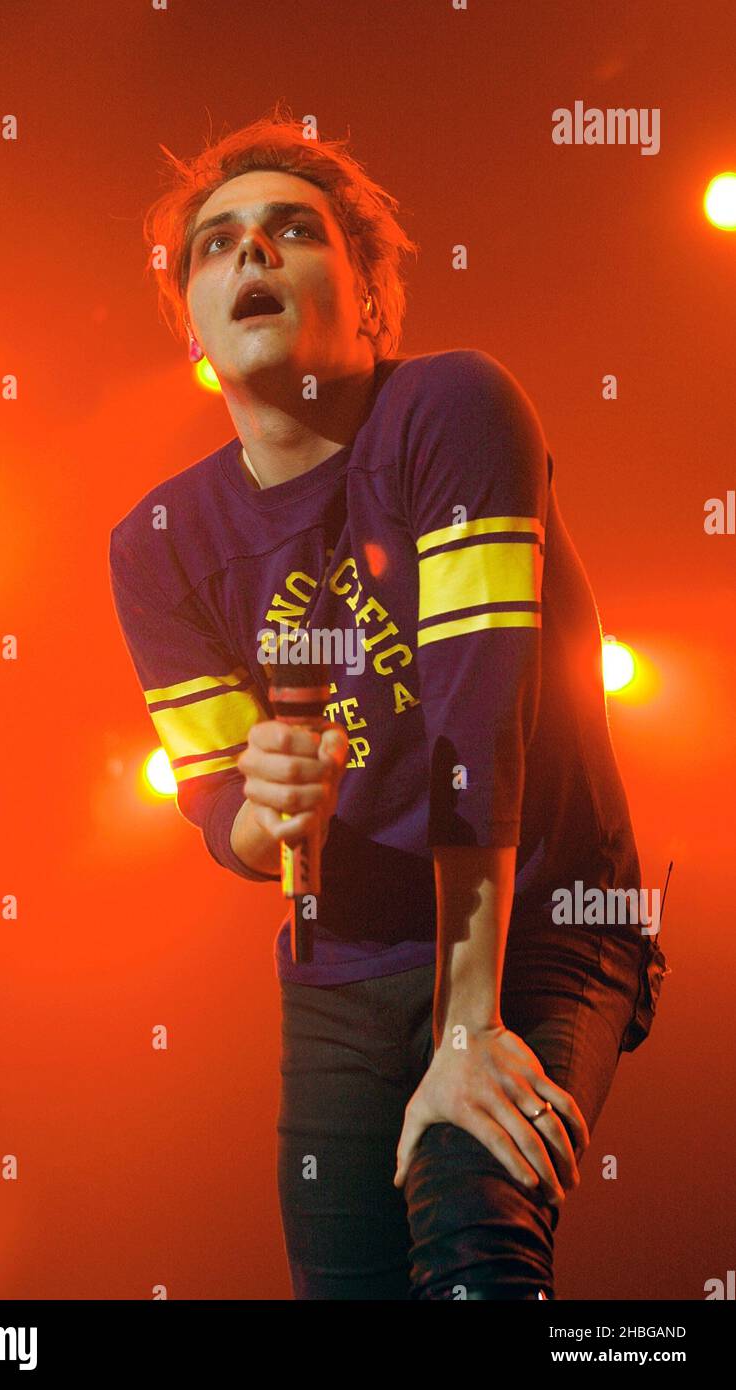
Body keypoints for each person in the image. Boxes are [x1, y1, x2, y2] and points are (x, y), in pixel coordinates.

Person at [108, 105, 668, 1300]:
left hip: (538, 919)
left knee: (476, 1252)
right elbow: (227, 826)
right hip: (343, 964)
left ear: (367, 297)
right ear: (193, 326)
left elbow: (479, 723)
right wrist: (268, 807)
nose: (248, 253)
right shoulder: (155, 542)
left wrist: (470, 1027)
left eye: (290, 230)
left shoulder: (451, 408)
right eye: (216, 244)